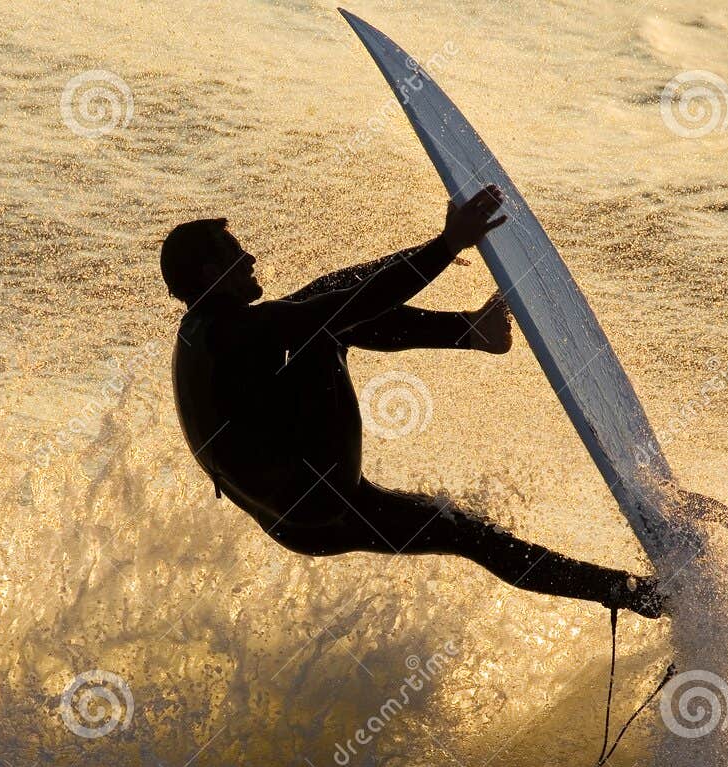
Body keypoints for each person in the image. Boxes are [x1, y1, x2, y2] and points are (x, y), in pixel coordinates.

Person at [162, 186, 662, 618]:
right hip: (320, 496)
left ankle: (639, 597)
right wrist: (445, 246)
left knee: (470, 534)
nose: (249, 258)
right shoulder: (233, 333)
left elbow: (335, 302)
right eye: (235, 253)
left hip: (299, 519)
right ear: (211, 273)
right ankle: (473, 331)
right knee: (326, 316)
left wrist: (426, 254)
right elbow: (350, 304)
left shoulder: (205, 331)